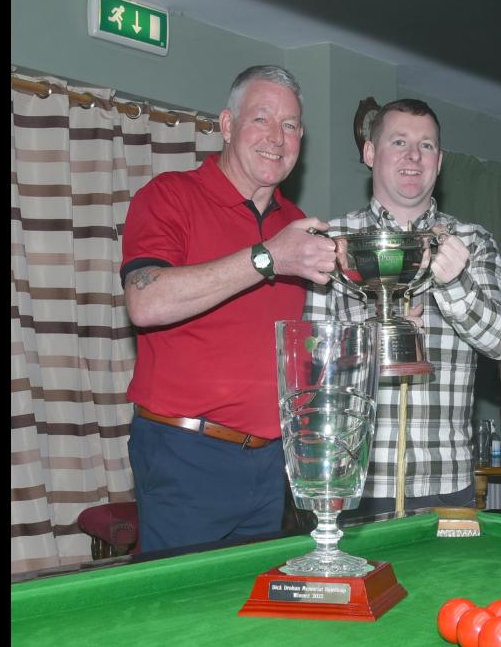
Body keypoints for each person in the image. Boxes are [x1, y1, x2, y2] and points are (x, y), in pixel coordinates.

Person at [121, 65, 339, 552]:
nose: (276, 138)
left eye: (290, 126)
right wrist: (268, 257)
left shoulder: (298, 225)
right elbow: (144, 301)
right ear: (226, 125)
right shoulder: (169, 197)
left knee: (250, 617)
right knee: (184, 614)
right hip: (185, 453)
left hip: (270, 463)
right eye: (261, 119)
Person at [304, 99, 501, 513]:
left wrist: (454, 283)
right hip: (359, 477)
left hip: (446, 476)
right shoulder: (331, 242)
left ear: (440, 161)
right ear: (369, 152)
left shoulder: (472, 240)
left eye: (427, 146)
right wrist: (375, 332)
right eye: (398, 142)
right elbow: (313, 363)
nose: (413, 156)